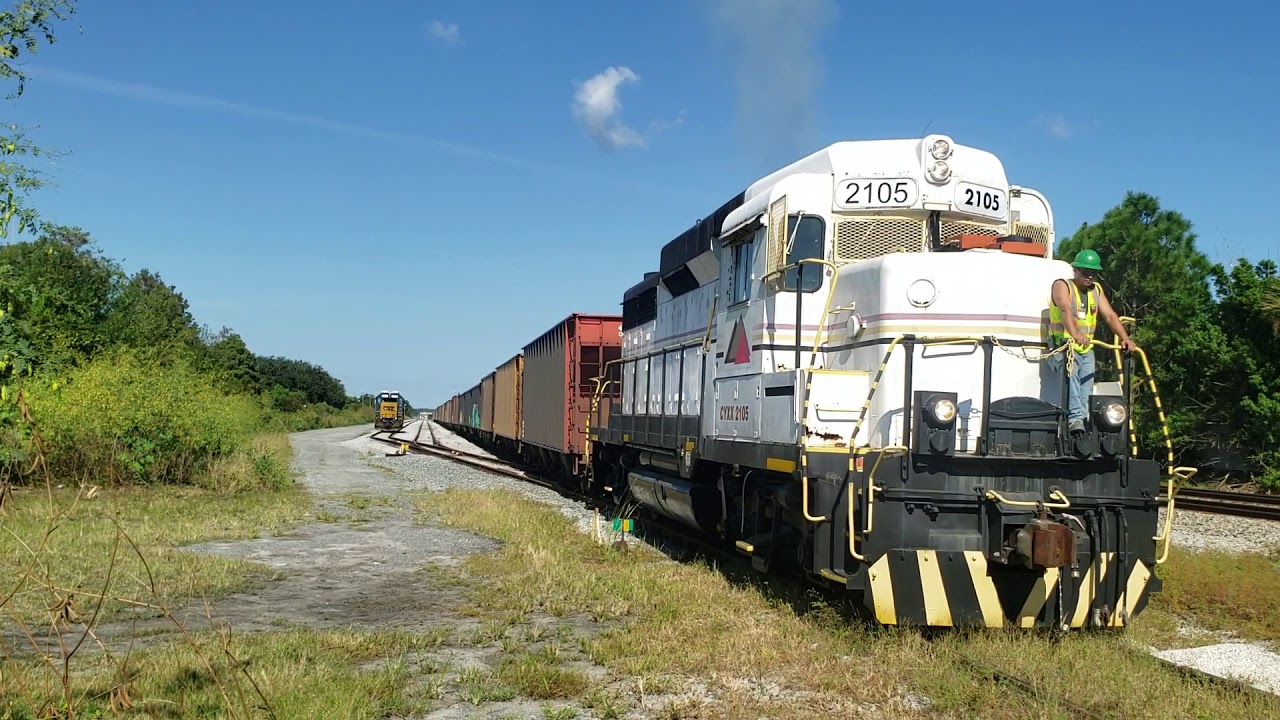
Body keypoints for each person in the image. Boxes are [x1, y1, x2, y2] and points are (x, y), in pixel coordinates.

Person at [1048, 249, 1137, 434]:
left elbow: (1111, 316)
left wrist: (1125, 338)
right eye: (1086, 272)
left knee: (1086, 383)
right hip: (1062, 347)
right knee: (1071, 378)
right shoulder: (1062, 286)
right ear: (1075, 270)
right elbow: (1065, 310)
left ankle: (1085, 420)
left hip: (1085, 347)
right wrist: (1074, 334)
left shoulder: (1095, 290)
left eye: (1093, 273)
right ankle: (1075, 421)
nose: (1089, 277)